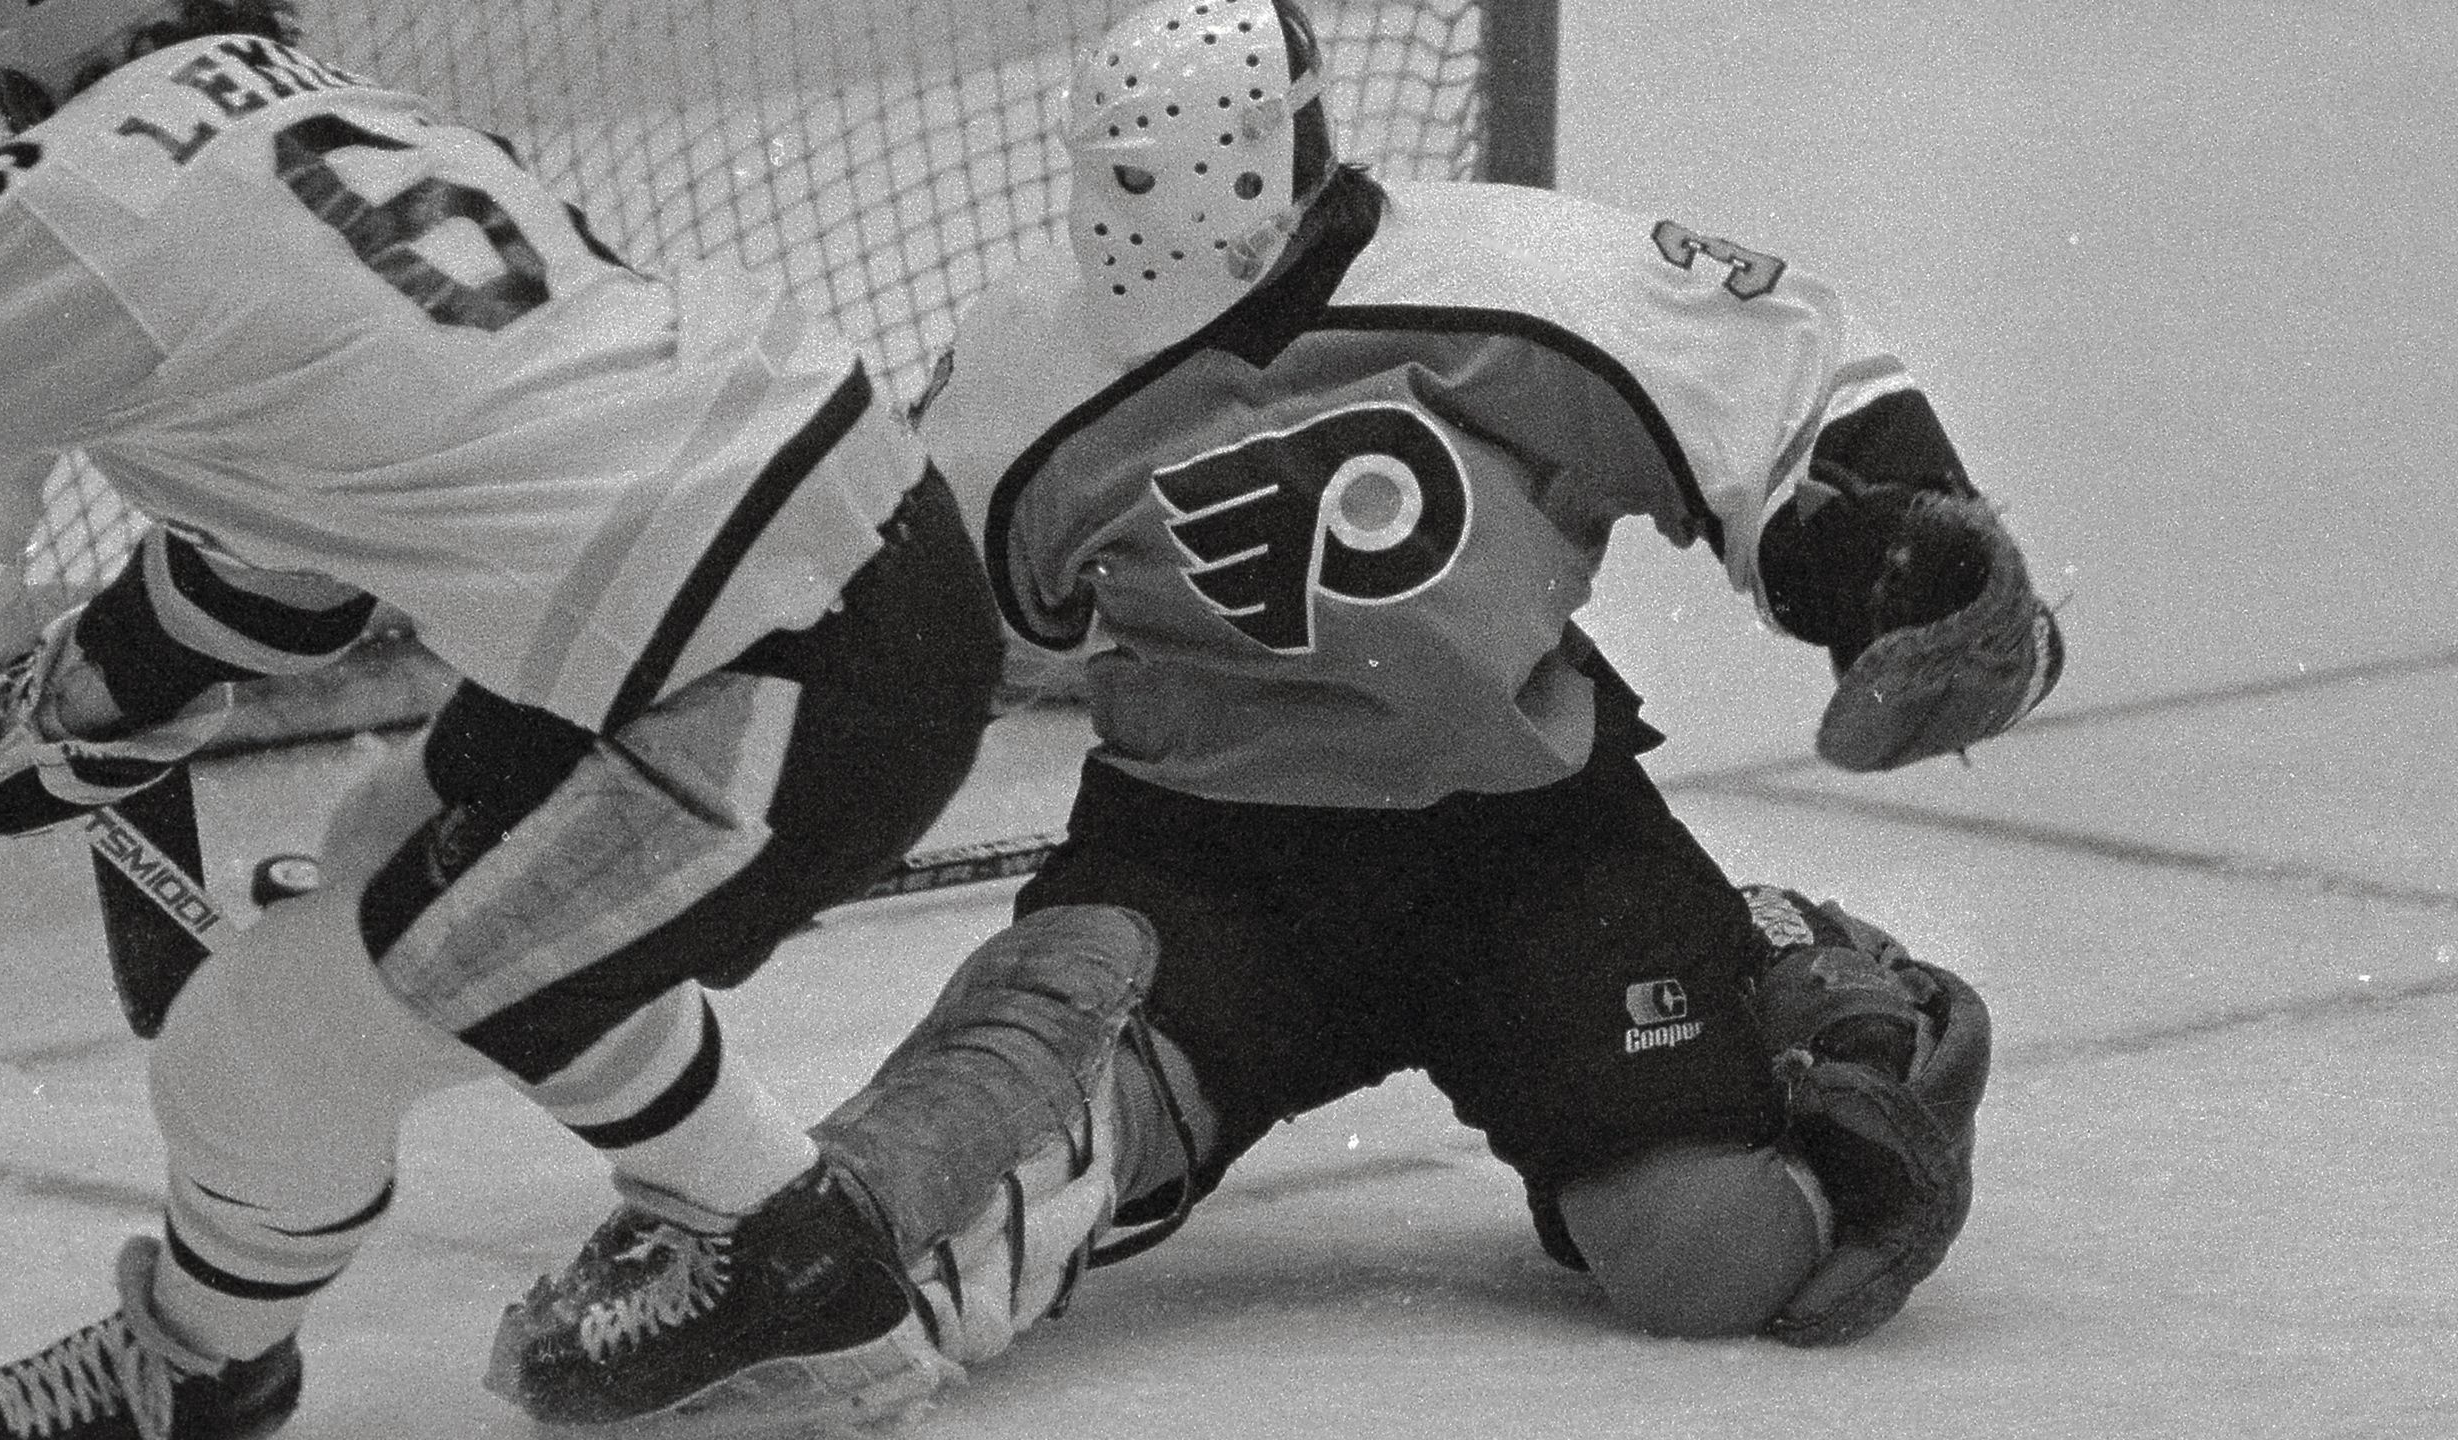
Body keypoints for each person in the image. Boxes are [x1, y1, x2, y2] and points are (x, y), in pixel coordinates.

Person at [480, 0, 2063, 1429]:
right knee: (1001, 1112)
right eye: (1123, 172)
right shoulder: (1031, 362)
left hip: (1524, 846)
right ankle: (800, 1235)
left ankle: (1782, 961)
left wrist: (1890, 553)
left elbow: (1794, 382)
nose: (1149, 213)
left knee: (1712, 1268)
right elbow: (911, 607)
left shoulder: (1513, 277)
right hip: (1204, 866)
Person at [0, 2, 1005, 1437]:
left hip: (767, 679)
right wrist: (74, 708)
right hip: (809, 586)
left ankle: (196, 1364)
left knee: (254, 1047)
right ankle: (779, 1247)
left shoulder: (88, 196)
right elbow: (280, 575)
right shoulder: (297, 109)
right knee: (390, 850)